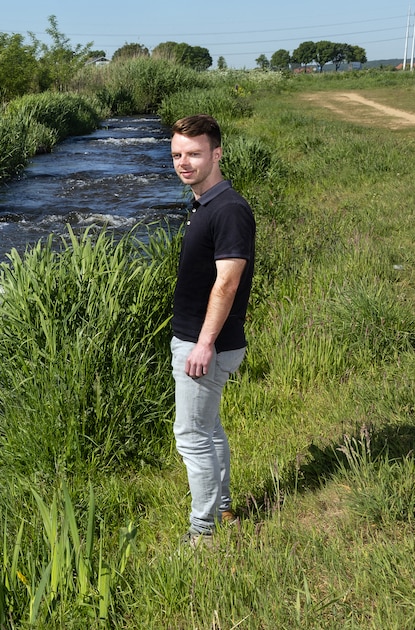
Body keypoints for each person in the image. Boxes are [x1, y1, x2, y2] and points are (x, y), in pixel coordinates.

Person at [168, 114, 255, 547]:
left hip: (205, 345)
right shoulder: (203, 203)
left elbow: (228, 281)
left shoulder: (229, 208)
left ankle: (202, 534)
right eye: (178, 155)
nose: (184, 163)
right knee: (209, 428)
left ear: (216, 154)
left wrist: (202, 344)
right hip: (203, 340)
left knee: (191, 436)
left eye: (195, 154)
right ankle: (221, 509)